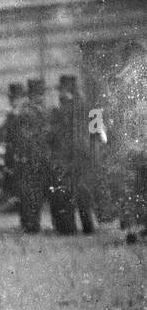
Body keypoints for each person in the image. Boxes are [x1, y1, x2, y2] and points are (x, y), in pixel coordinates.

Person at [49, 74, 97, 235]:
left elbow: (53, 135)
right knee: (84, 193)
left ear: (66, 91)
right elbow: (99, 134)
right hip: (85, 156)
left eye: (61, 90)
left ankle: (69, 228)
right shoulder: (91, 108)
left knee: (68, 193)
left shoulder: (60, 111)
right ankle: (88, 226)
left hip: (68, 157)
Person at [13, 78, 51, 233]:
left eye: (41, 94)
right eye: (38, 94)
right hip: (31, 157)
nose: (40, 97)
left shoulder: (36, 110)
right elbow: (24, 136)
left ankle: (31, 222)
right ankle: (31, 223)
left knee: (33, 192)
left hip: (35, 156)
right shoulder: (29, 112)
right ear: (32, 95)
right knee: (31, 192)